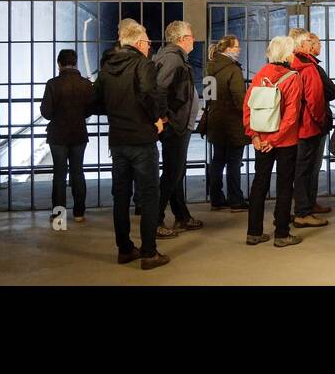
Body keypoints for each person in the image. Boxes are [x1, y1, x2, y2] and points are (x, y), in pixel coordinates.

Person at [94, 19, 170, 270]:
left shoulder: (106, 67)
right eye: (148, 42)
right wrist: (156, 118)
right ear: (138, 42)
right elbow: (149, 92)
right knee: (149, 196)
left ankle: (124, 249)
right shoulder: (142, 64)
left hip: (117, 140)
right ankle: (149, 253)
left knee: (120, 196)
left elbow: (96, 101)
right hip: (142, 139)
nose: (149, 46)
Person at [243, 35, 305, 247]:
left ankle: (253, 232)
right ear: (288, 54)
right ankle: (281, 234)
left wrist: (255, 135)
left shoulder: (261, 74)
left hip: (261, 139)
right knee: (284, 185)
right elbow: (291, 115)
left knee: (259, 183)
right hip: (285, 141)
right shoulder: (292, 77)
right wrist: (276, 139)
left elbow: (248, 106)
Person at [153, 20, 202, 235]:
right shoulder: (174, 59)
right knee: (172, 174)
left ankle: (182, 216)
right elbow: (160, 89)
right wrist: (165, 116)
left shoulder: (172, 56)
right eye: (191, 36)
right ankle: (155, 220)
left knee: (176, 172)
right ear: (182, 39)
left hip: (179, 124)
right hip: (176, 126)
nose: (194, 40)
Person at [39, 48, 93, 223]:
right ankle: (79, 213)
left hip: (58, 136)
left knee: (59, 175)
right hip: (78, 133)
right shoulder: (85, 84)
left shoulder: (52, 84)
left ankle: (59, 215)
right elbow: (90, 109)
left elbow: (46, 112)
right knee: (78, 172)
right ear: (75, 63)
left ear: (59, 64)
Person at [292, 31, 335, 228]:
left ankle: (309, 204)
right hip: (310, 126)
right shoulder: (309, 68)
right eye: (314, 43)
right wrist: (320, 122)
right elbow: (316, 100)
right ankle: (303, 211)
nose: (317, 46)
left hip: (296, 126)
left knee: (304, 169)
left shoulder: (291, 64)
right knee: (305, 169)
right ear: (305, 44)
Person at [202, 35, 249, 211]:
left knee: (218, 160)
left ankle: (216, 198)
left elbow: (208, 96)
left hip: (216, 121)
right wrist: (248, 115)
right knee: (234, 162)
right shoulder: (233, 70)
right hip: (233, 122)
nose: (239, 49)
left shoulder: (210, 67)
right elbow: (239, 98)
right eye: (236, 47)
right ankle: (236, 199)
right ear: (227, 49)